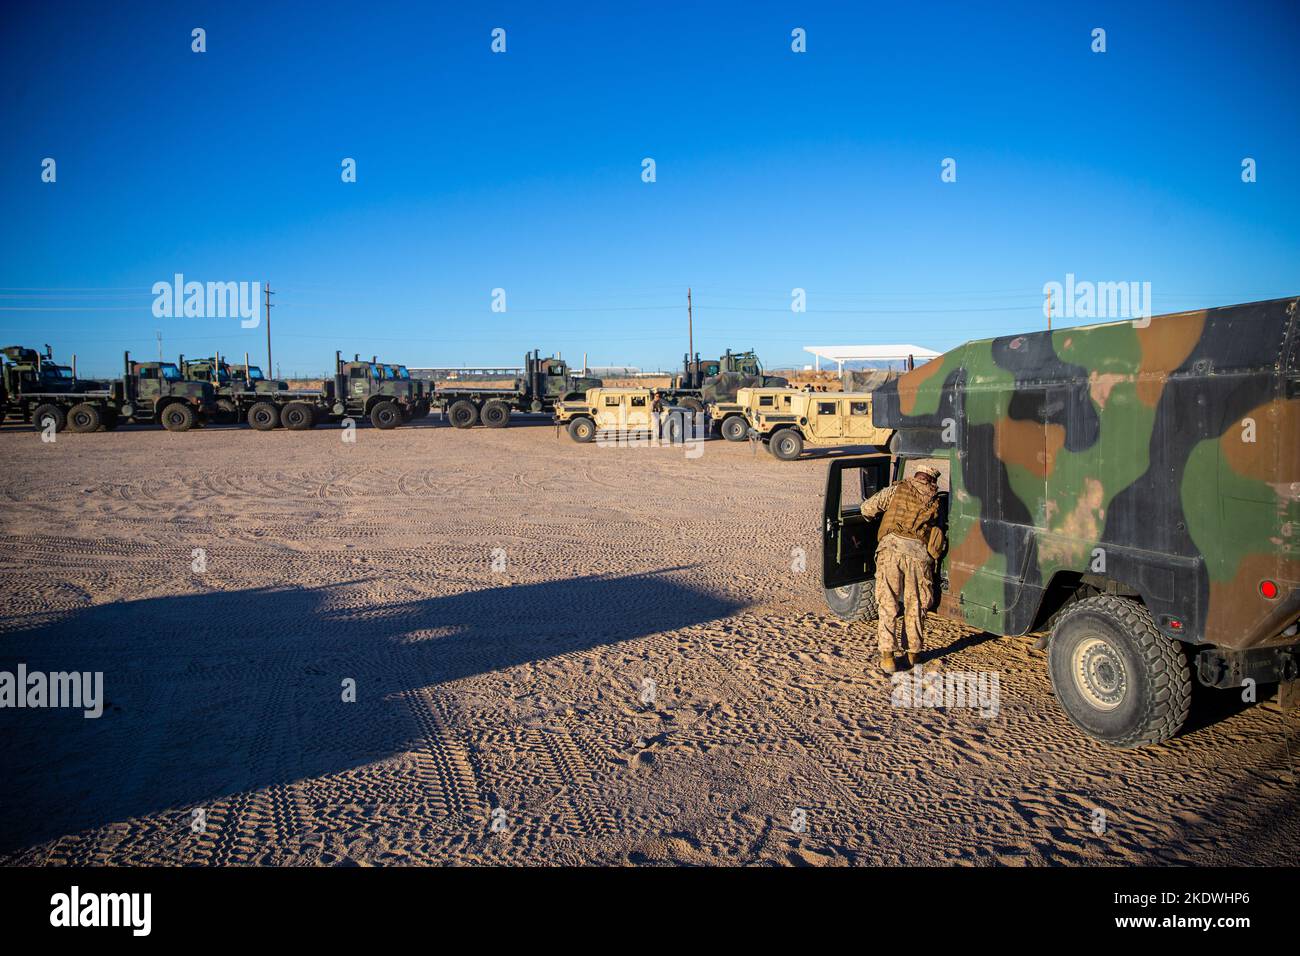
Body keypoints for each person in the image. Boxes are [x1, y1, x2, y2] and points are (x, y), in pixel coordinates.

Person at [859, 464, 944, 674]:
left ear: (916, 475)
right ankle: (912, 655)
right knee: (915, 605)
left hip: (891, 551)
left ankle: (887, 658)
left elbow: (867, 508)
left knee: (887, 603)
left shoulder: (898, 489)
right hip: (919, 556)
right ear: (932, 481)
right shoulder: (937, 501)